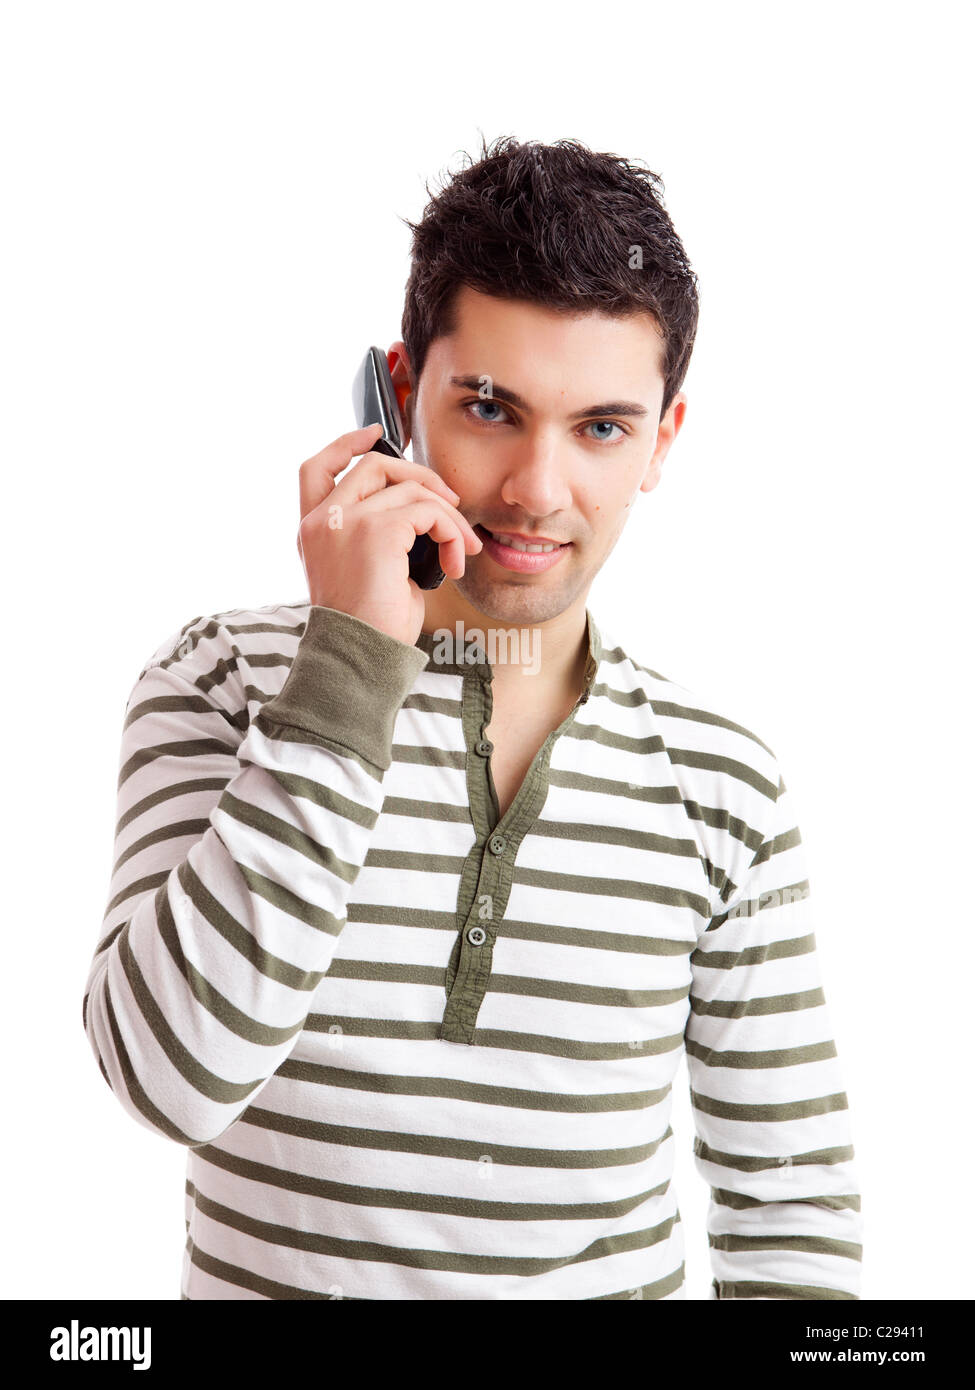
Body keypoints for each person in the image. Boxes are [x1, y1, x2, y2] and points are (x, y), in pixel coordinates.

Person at [82, 136, 862, 1300]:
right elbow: (166, 1080)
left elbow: (789, 1197)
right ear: (399, 395)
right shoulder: (221, 683)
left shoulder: (724, 784)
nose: (538, 489)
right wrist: (348, 668)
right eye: (491, 407)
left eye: (602, 426)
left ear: (663, 442)